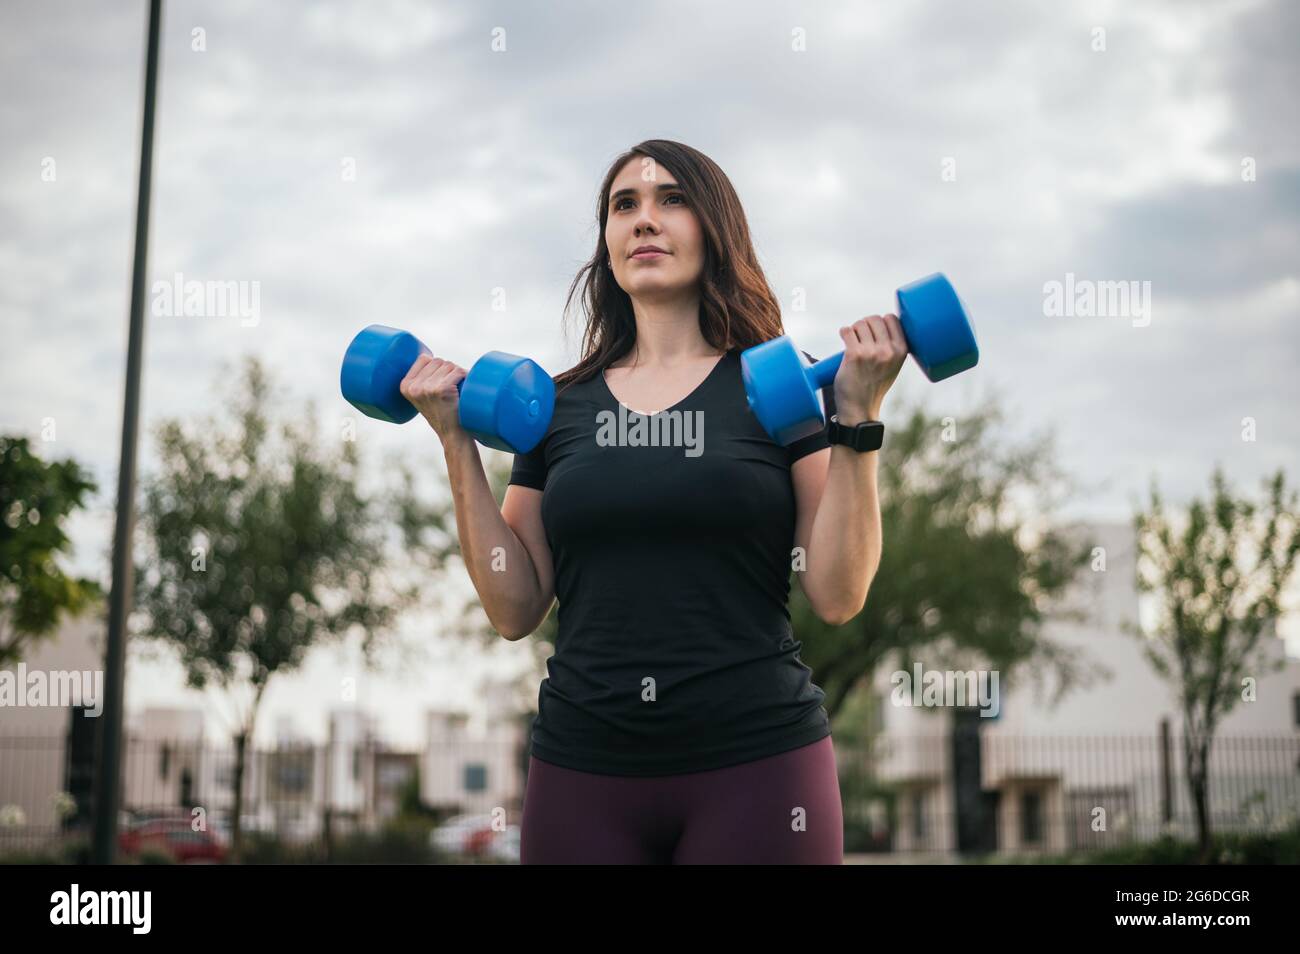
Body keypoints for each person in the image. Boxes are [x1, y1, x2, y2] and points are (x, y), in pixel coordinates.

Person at [398, 139, 907, 864]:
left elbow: (838, 593)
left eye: (672, 199)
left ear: (715, 229)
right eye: (624, 205)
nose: (645, 220)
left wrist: (856, 420)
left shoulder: (777, 386)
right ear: (606, 242)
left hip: (758, 765)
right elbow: (514, 609)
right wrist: (456, 443)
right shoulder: (556, 406)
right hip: (583, 771)